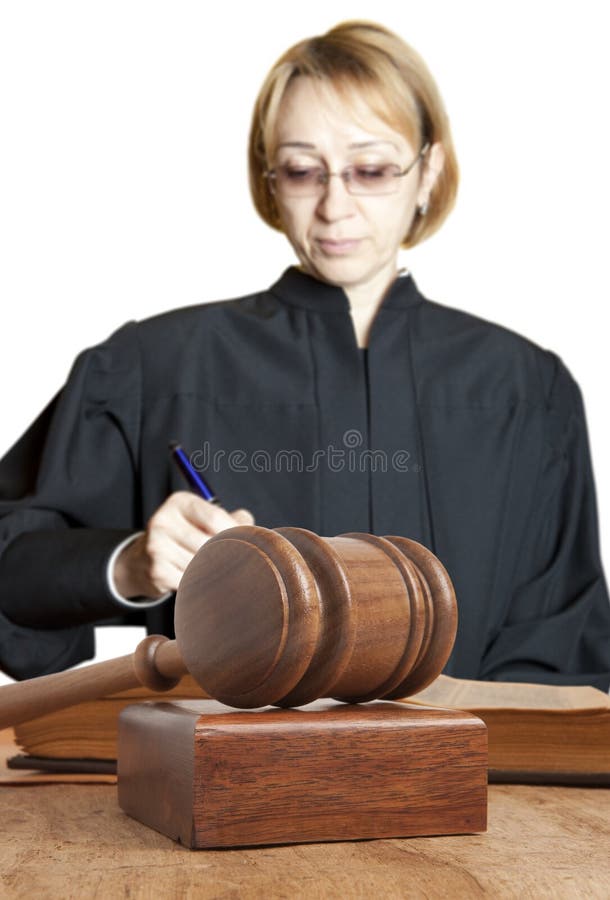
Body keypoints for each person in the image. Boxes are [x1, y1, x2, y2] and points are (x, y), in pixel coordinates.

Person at [1, 20, 609, 690]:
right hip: (219, 758)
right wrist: (131, 562)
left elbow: (563, 645)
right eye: (301, 171)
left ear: (428, 171)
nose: (334, 207)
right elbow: (12, 564)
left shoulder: (527, 391)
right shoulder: (153, 368)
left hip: (474, 757)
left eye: (371, 170)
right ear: (269, 179)